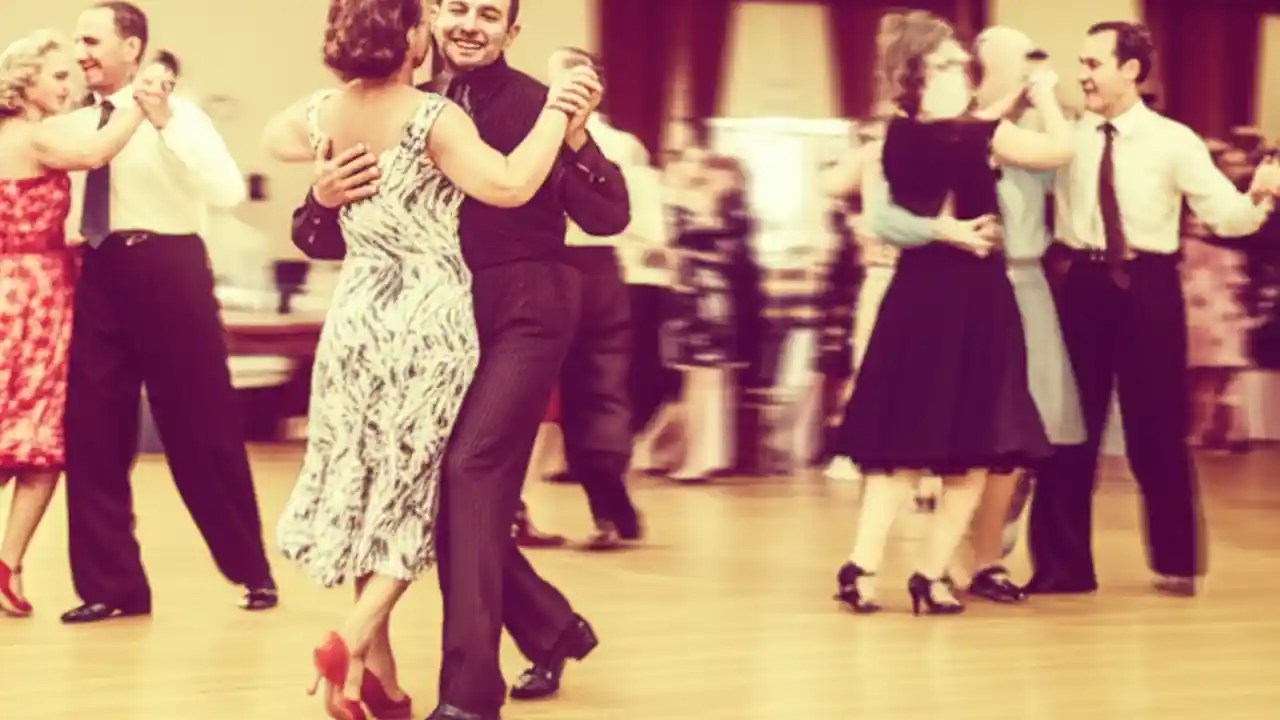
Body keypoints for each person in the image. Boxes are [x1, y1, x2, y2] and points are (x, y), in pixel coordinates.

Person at [288, 1, 629, 717]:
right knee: (433, 487)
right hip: (429, 324)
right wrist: (319, 198)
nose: (469, 23)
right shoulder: (394, 98)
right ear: (430, 21)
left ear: (512, 30)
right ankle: (552, 629)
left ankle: (469, 697)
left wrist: (576, 136)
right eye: (454, 7)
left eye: (487, 12)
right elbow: (321, 237)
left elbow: (609, 216)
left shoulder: (541, 103)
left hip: (526, 310)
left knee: (469, 472)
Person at [829, 9, 1071, 616]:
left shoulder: (899, 135)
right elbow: (1059, 149)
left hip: (930, 298)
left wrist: (940, 230)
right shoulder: (972, 133)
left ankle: (890, 571)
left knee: (941, 445)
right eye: (947, 61)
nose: (961, 68)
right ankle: (903, 573)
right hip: (962, 299)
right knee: (946, 446)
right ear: (918, 72)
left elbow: (880, 212)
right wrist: (1044, 96)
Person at [1026, 21, 1280, 598]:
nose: (1082, 74)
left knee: (1157, 428)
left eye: (1093, 63)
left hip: (1149, 286)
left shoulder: (1175, 141)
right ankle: (1063, 568)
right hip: (1081, 283)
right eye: (1083, 63)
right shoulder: (1064, 137)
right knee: (1069, 431)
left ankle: (1177, 562)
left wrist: (1263, 193)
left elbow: (1227, 218)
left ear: (1131, 70)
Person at [55, 1, 281, 625]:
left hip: (169, 269)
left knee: (201, 427)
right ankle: (112, 588)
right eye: (77, 40)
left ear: (132, 48)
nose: (80, 52)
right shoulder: (74, 121)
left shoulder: (183, 116)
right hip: (97, 274)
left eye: (92, 39)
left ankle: (251, 571)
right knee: (93, 432)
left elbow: (228, 192)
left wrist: (162, 125)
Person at [0, 28, 148, 618]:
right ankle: (6, 562)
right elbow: (94, 153)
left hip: (15, 288)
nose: (71, 84)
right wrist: (140, 101)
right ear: (24, 79)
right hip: (35, 300)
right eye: (58, 75)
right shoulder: (33, 137)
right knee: (39, 439)